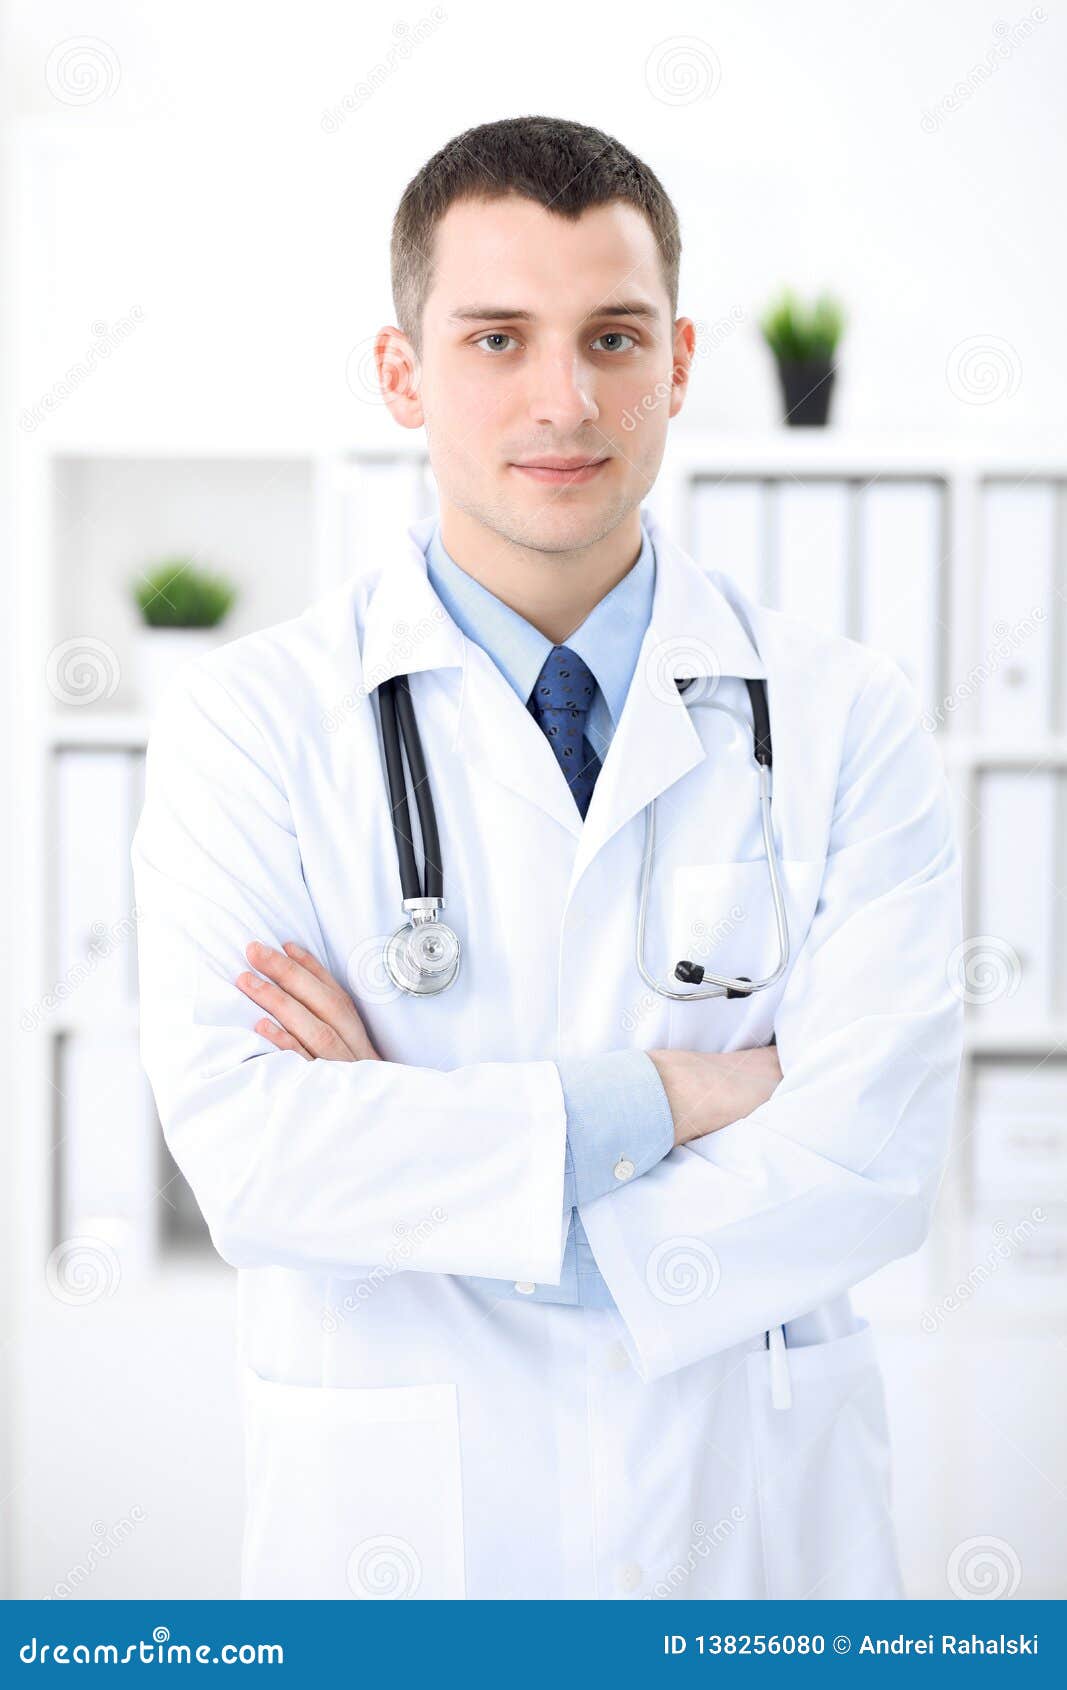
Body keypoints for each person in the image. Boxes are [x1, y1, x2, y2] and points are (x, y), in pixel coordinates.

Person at [131, 115, 964, 1600]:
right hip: (400, 1551)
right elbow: (254, 1165)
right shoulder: (251, 724)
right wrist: (678, 1093)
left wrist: (420, 1148)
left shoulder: (848, 716)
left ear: (682, 362)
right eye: (499, 338)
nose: (565, 400)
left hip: (753, 1532)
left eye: (615, 336)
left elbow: (872, 1157)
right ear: (405, 373)